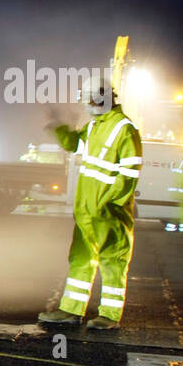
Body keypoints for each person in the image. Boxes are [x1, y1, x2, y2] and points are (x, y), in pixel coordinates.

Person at [37, 75, 142, 331]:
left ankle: (109, 315)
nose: (88, 104)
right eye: (86, 100)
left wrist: (107, 205)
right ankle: (71, 311)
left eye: (91, 99)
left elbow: (128, 176)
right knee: (81, 259)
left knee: (112, 261)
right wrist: (57, 125)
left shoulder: (124, 128)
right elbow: (74, 145)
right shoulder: (95, 126)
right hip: (86, 212)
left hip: (109, 213)